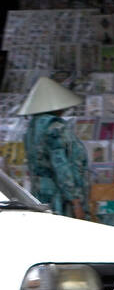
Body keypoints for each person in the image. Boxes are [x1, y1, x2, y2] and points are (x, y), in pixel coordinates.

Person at [17, 77, 90, 219]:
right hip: (59, 198)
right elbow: (61, 167)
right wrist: (75, 202)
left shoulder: (31, 129)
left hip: (40, 194)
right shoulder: (55, 128)